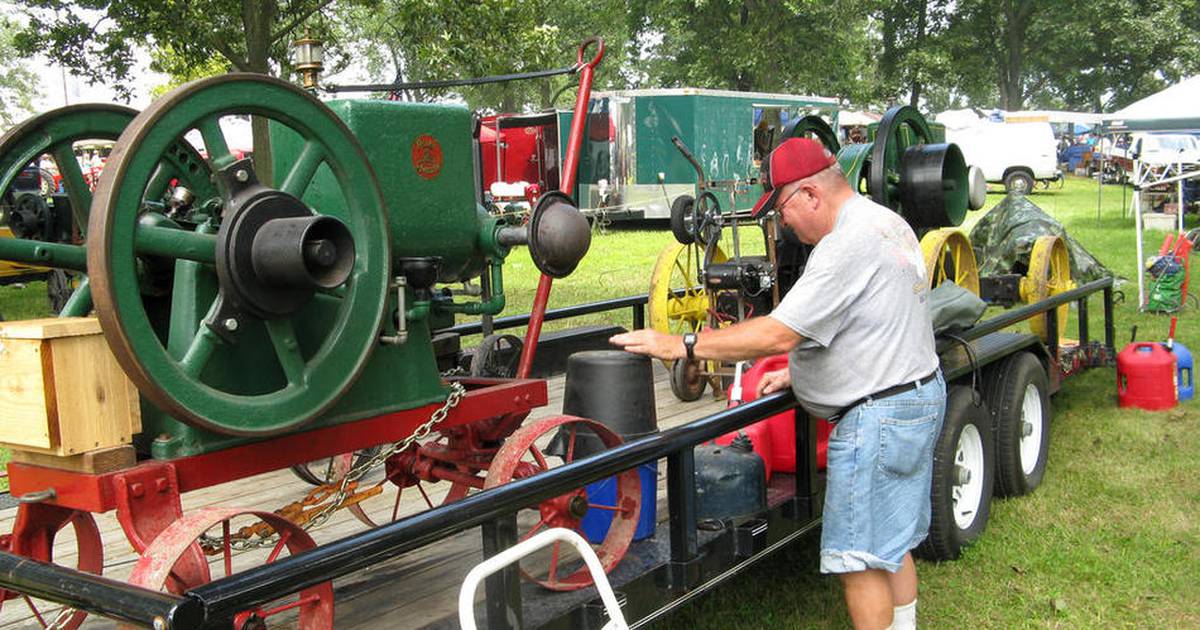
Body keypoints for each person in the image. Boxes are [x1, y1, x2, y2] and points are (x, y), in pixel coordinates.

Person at [610, 138, 945, 630]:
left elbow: (776, 331)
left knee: (860, 562)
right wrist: (803, 370)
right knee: (891, 545)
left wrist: (680, 344)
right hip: (915, 398)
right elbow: (878, 320)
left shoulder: (844, 246)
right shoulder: (886, 222)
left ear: (811, 194)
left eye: (783, 208)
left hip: (877, 421)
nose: (783, 222)